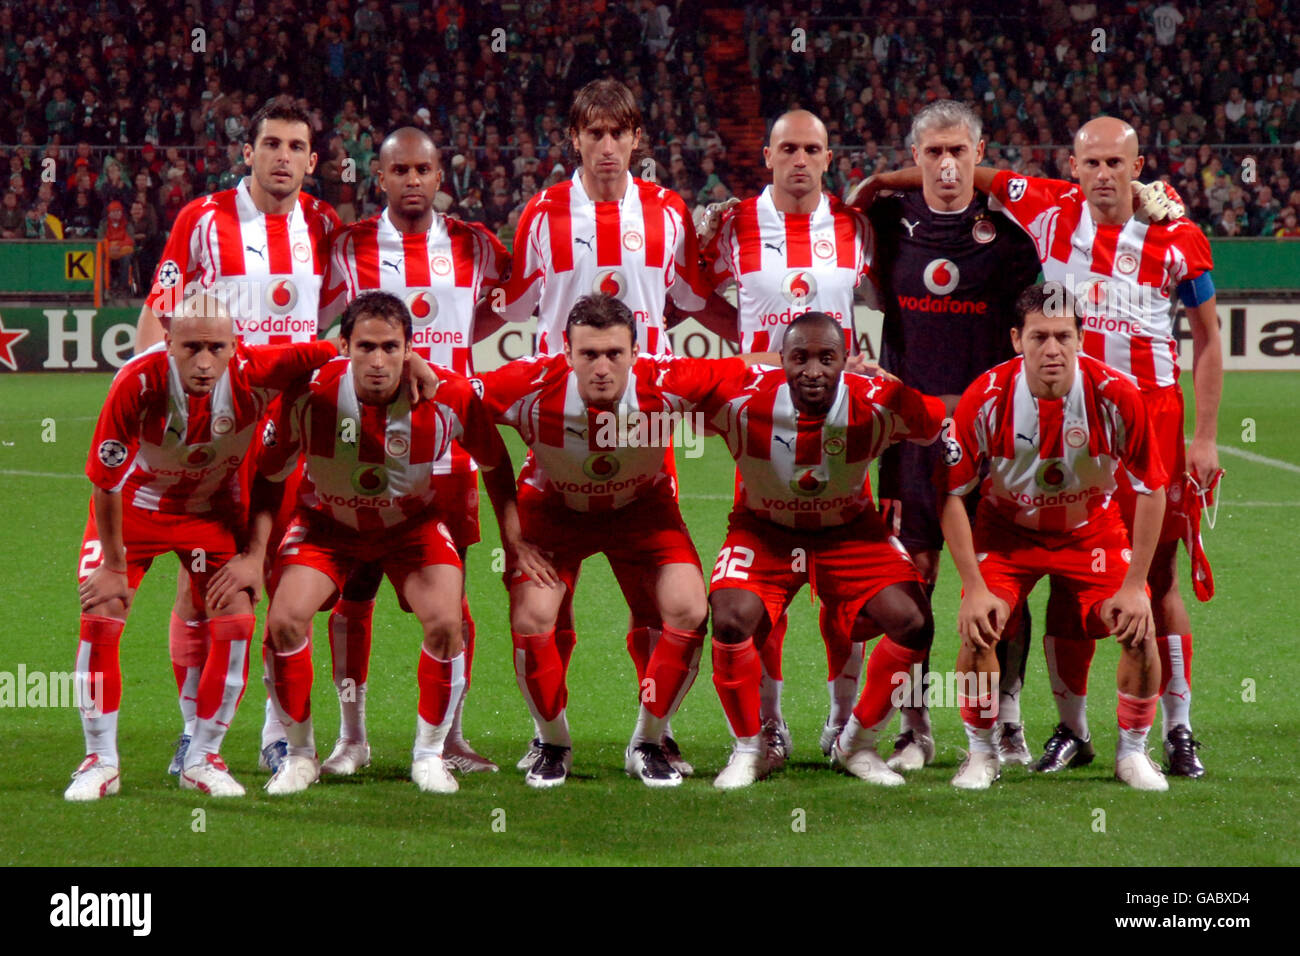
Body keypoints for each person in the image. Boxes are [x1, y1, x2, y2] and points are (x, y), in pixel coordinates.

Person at [864, 115, 1221, 780]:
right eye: (1093, 162)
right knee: (1064, 574)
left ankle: (1178, 727)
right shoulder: (1050, 206)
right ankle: (1070, 729)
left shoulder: (1175, 232)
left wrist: (1204, 436)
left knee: (1156, 578)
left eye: (1118, 163)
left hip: (1147, 409)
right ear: (1074, 165)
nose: (1105, 174)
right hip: (1065, 412)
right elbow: (961, 168)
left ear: (1138, 165)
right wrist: (885, 178)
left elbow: (1208, 334)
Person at [499, 78, 716, 771]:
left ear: (635, 139)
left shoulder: (669, 212)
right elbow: (507, 307)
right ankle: (549, 737)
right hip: (560, 428)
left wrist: (782, 343)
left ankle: (654, 733)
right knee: (544, 609)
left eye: (617, 133)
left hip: (646, 424)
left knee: (658, 604)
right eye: (592, 133)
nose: (606, 147)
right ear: (575, 139)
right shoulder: (540, 215)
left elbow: (694, 300)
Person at [475, 294, 769, 788]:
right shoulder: (527, 385)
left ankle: (649, 741)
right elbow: (454, 402)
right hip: (553, 513)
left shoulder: (666, 380)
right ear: (566, 353)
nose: (603, 367)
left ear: (636, 352)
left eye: (615, 353)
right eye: (589, 354)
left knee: (689, 608)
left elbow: (752, 371)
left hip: (642, 511)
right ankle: (552, 741)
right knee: (532, 617)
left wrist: (845, 369)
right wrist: (513, 535)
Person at [255, 292, 544, 794]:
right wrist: (253, 554)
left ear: (410, 348)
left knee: (447, 623)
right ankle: (300, 755)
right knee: (283, 622)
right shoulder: (310, 394)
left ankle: (429, 754)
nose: (378, 360)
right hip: (328, 524)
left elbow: (496, 466)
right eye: (365, 346)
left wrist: (514, 542)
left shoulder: (447, 395)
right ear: (343, 345)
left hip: (411, 526)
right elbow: (268, 475)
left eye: (391, 347)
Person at [134, 100, 343, 779]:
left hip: (300, 433)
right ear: (247, 152)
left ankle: (278, 732)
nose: (282, 156)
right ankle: (196, 735)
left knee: (289, 585)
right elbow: (159, 314)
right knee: (203, 587)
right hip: (220, 435)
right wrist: (150, 412)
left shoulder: (325, 226)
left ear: (312, 162)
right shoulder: (202, 220)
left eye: (296, 147)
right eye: (270, 143)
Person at [66, 295, 340, 801]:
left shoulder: (258, 372)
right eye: (192, 347)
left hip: (210, 511)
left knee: (235, 615)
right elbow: (104, 482)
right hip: (136, 508)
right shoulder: (137, 382)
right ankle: (99, 759)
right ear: (167, 343)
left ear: (236, 347)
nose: (205, 361)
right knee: (102, 610)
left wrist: (254, 557)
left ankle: (203, 757)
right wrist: (113, 565)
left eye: (217, 348)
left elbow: (332, 350)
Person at [847, 100, 1042, 772]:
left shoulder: (1012, 240)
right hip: (911, 438)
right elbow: (855, 197)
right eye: (933, 153)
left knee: (1000, 584)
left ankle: (1008, 719)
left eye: (960, 151)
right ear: (916, 157)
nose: (948, 165)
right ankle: (915, 723)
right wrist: (884, 182)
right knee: (914, 580)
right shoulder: (885, 223)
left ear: (979, 152)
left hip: (992, 438)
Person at [314, 127, 509, 776]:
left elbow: (500, 310)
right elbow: (320, 328)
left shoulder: (475, 246)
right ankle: (350, 736)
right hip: (364, 447)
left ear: (439, 173)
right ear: (381, 177)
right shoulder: (349, 248)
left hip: (447, 455)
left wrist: (454, 372)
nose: (414, 181)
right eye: (400, 170)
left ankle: (449, 736)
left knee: (451, 604)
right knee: (354, 591)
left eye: (424, 169)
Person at [698, 109, 877, 768]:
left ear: (828, 159)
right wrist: (749, 348)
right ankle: (769, 726)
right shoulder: (733, 226)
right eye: (788, 149)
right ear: (767, 156)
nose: (800, 160)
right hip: (764, 427)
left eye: (813, 149)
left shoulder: (856, 229)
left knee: (844, 585)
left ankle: (840, 719)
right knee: (767, 578)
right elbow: (693, 297)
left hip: (842, 427)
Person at [703, 311, 948, 789]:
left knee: (914, 622)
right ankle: (749, 748)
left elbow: (931, 422)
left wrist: (895, 386)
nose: (813, 370)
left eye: (826, 358)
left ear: (846, 362)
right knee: (731, 618)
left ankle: (856, 743)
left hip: (849, 534)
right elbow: (666, 389)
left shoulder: (876, 402)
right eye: (799, 357)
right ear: (781, 361)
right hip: (764, 532)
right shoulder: (741, 397)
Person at [940, 283, 1170, 791]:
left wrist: (1135, 584)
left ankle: (1132, 753)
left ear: (1081, 338)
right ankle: (980, 753)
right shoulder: (986, 396)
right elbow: (953, 495)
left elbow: (1151, 488)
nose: (1052, 349)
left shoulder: (1117, 394)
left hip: (1092, 533)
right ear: (1016, 339)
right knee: (980, 626)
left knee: (1137, 624)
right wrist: (973, 586)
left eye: (1063, 336)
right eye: (1039, 336)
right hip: (1005, 535)